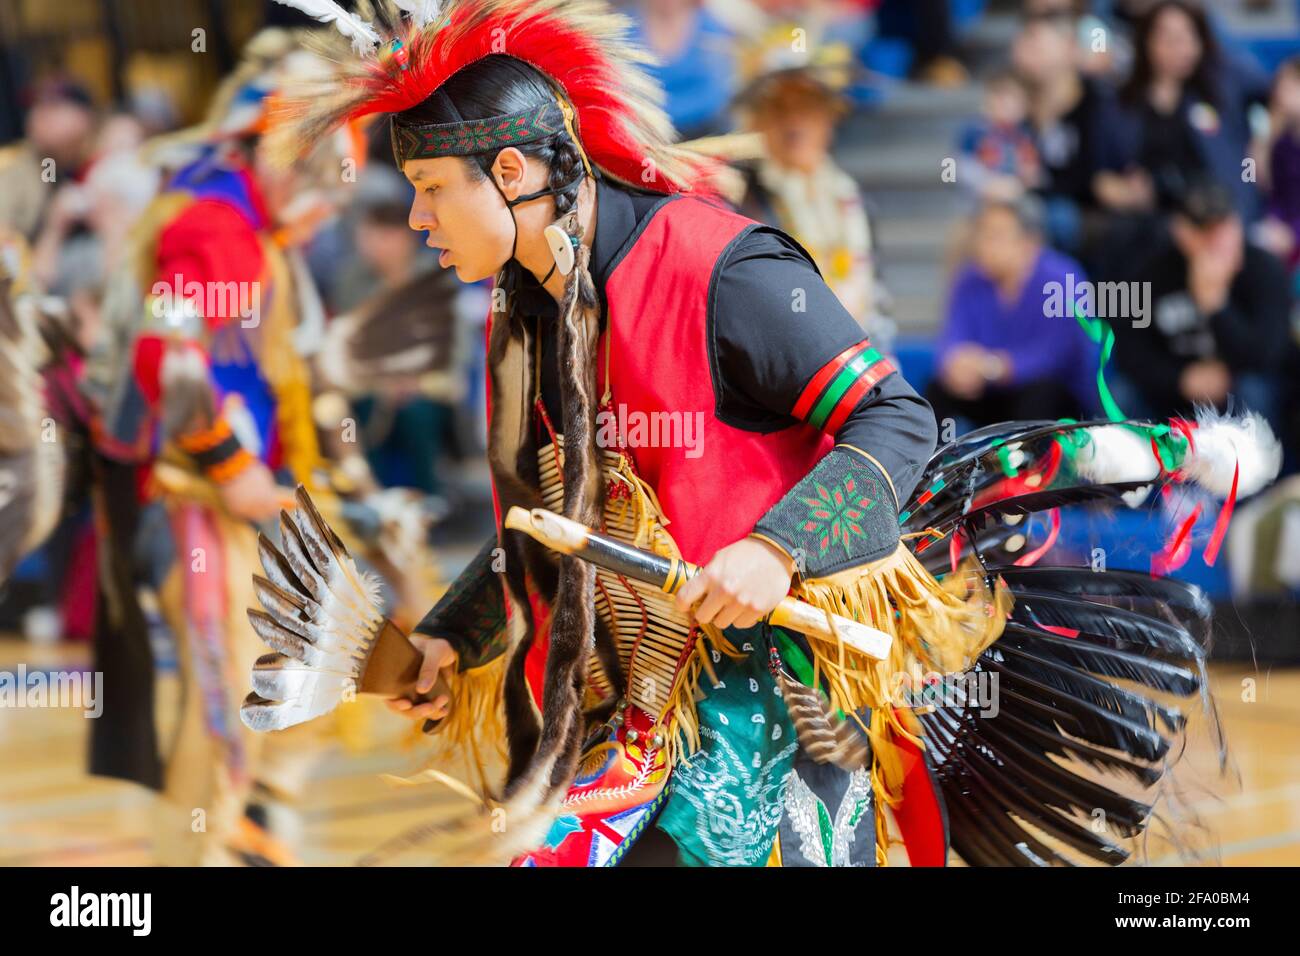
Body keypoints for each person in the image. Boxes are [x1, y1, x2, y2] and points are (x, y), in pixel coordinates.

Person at [253, 0, 1242, 869]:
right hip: (633, 705)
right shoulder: (533, 306)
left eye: (431, 188)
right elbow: (557, 518)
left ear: (510, 172)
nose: (419, 218)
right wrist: (452, 635)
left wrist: (778, 546)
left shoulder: (719, 267)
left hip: (780, 696)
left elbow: (894, 418)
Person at [733, 23, 887, 337]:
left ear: (832, 117)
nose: (794, 124)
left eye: (807, 109)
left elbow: (873, 289)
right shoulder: (739, 202)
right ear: (757, 120)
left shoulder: (851, 197)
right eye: (780, 109)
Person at [1111, 179, 1292, 430]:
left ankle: (1253, 467)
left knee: (1254, 389)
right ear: (1181, 231)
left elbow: (1269, 353)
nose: (1218, 239)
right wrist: (1180, 379)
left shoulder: (1264, 268)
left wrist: (1216, 307)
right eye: (1205, 230)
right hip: (1176, 386)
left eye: (1224, 226)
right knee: (1121, 393)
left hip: (1238, 383)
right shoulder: (1151, 272)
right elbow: (1129, 350)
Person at [928, 195, 1097, 431]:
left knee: (1039, 393)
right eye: (981, 234)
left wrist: (995, 367)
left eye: (995, 236)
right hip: (990, 389)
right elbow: (952, 337)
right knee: (938, 389)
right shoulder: (969, 278)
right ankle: (937, 465)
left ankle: (1033, 467)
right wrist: (955, 364)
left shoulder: (1063, 279)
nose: (982, 245)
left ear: (1029, 242)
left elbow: (1057, 354)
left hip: (1053, 393)